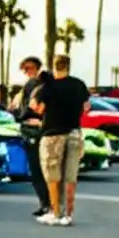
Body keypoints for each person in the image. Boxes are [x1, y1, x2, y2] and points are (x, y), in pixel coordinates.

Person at [33, 54, 90, 226]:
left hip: (52, 135)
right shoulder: (79, 85)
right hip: (74, 133)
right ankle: (68, 215)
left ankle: (56, 213)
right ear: (68, 66)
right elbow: (86, 107)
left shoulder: (48, 87)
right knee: (70, 176)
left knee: (53, 176)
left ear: (54, 66)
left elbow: (39, 108)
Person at [14, 56, 52, 216]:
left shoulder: (34, 86)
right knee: (43, 169)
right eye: (24, 68)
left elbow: (30, 109)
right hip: (42, 129)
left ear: (37, 68)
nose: (26, 71)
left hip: (34, 130)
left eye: (29, 68)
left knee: (37, 169)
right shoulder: (40, 85)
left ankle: (46, 204)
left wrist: (21, 115)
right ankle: (47, 203)